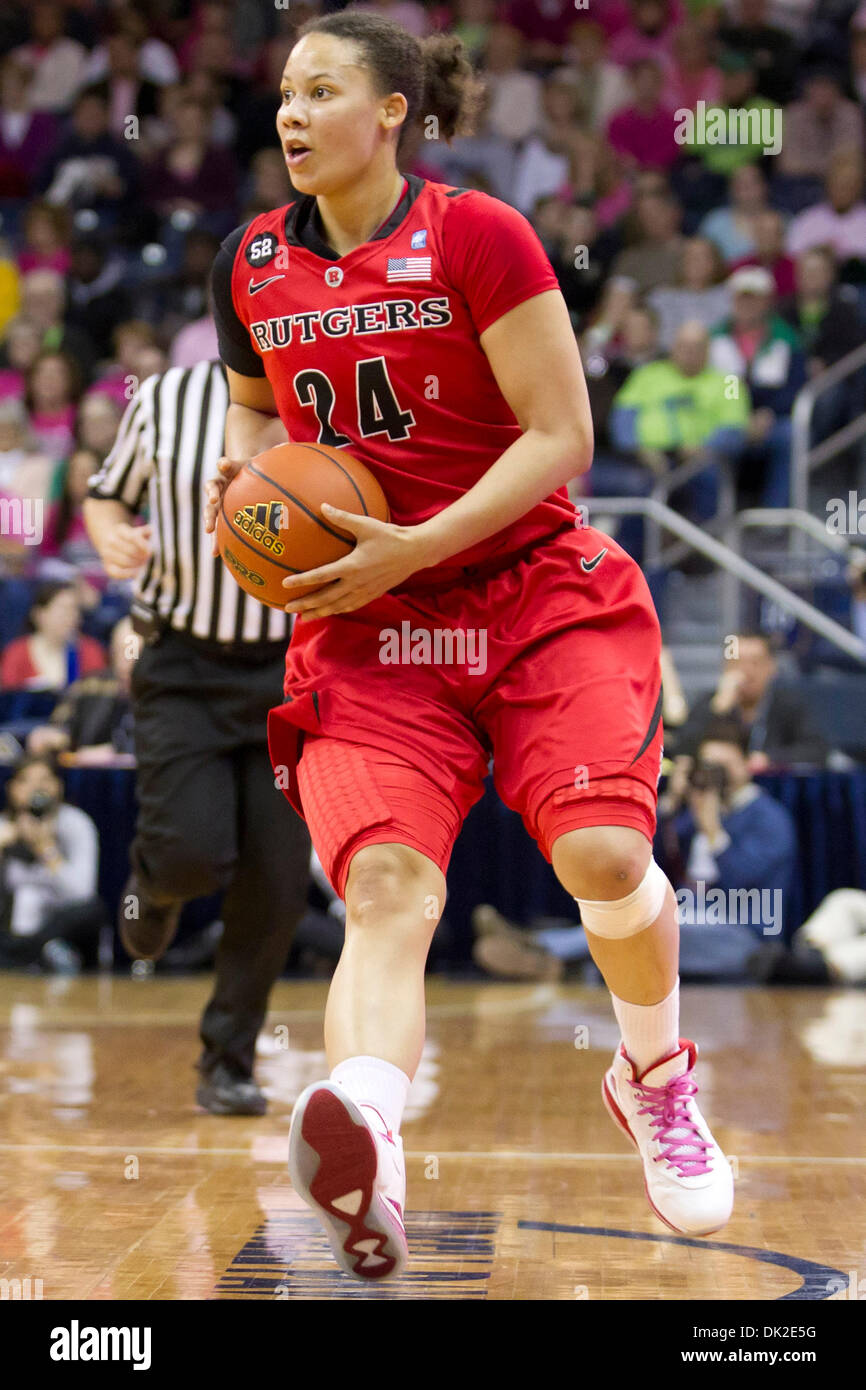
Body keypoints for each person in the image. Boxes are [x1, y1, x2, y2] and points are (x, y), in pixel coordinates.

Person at [205, 11, 734, 1282]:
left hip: (533, 592)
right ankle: (367, 1137)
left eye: (320, 91)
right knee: (388, 889)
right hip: (367, 626)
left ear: (391, 111)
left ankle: (652, 1074)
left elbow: (561, 436)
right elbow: (253, 421)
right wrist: (246, 497)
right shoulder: (250, 261)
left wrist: (417, 542)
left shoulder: (476, 234)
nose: (290, 113)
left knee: (604, 856)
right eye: (284, 93)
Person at [84, 359, 310, 1116]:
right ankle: (155, 883)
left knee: (276, 881)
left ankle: (228, 1060)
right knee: (190, 852)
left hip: (293, 667)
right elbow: (105, 496)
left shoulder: (334, 387)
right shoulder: (163, 397)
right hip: (181, 660)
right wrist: (112, 540)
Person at [0, 753, 105, 974]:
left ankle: (29, 956)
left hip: (59, 925)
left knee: (92, 911)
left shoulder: (75, 823)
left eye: (45, 780)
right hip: (11, 929)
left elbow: (83, 894)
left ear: (59, 786)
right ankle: (35, 956)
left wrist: (46, 850)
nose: (36, 788)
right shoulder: (3, 827)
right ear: (12, 788)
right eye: (26, 781)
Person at [676, 631, 827, 770]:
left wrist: (770, 759)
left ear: (771, 667)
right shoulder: (711, 702)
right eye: (737, 662)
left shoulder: (789, 704)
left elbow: (816, 749)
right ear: (725, 667)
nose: (747, 671)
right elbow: (682, 748)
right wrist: (718, 708)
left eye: (755, 662)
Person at [0, 581, 106, 691]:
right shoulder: (16, 653)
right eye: (63, 609)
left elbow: (99, 691)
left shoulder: (90, 651)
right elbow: (8, 693)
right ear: (39, 614)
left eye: (75, 609)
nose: (71, 616)